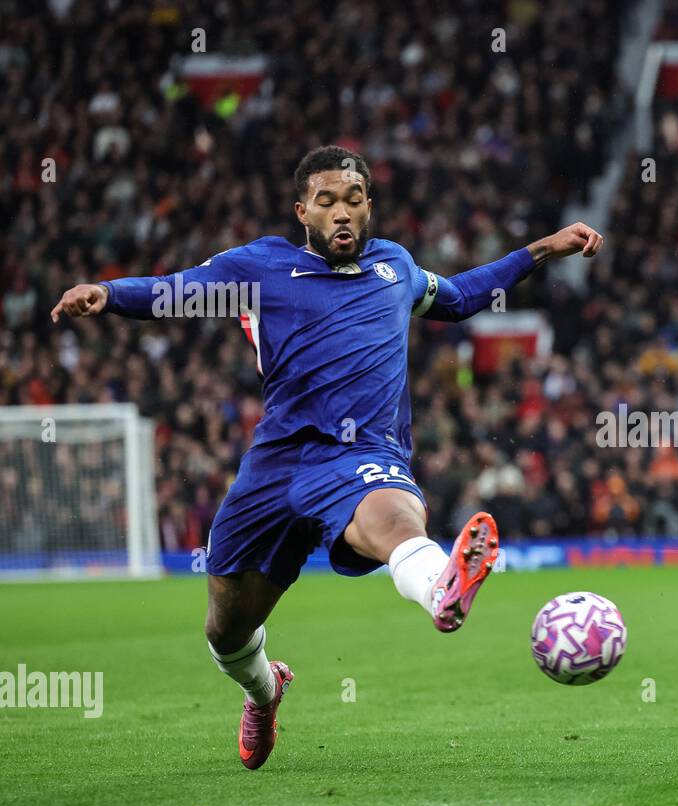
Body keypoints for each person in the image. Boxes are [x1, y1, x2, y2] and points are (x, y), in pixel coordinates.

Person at [50, 145, 604, 770]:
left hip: (364, 453)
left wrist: (541, 250)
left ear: (370, 207)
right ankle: (265, 689)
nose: (342, 213)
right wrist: (109, 292)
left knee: (395, 518)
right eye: (327, 201)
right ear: (303, 212)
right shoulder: (260, 267)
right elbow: (176, 292)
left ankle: (440, 588)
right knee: (225, 632)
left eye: (354, 200)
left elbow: (461, 296)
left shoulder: (396, 268)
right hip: (278, 463)